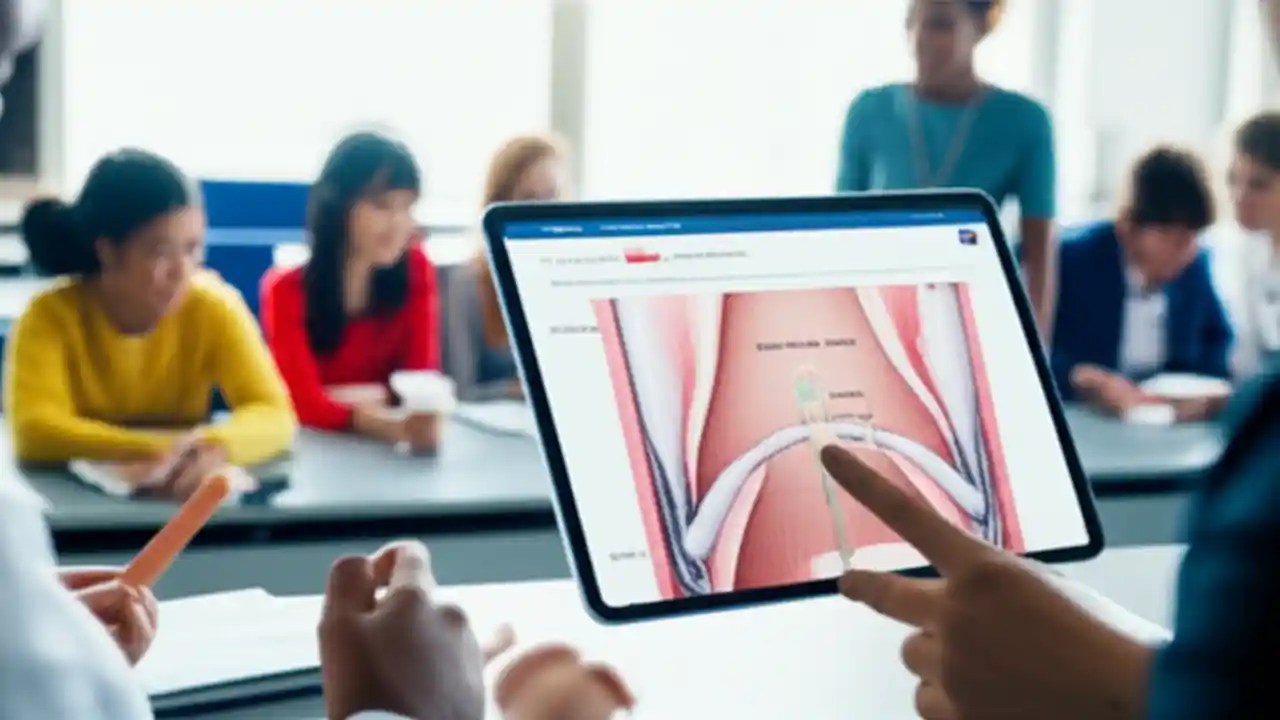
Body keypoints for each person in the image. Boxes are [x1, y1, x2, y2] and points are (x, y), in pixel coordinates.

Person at [3, 149, 296, 496]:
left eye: (192, 249)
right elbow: (35, 429)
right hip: (74, 506)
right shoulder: (50, 315)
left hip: (183, 500)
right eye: (161, 252)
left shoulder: (215, 306)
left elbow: (274, 414)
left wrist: (213, 446)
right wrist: (163, 448)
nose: (181, 271)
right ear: (107, 250)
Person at [836, 0, 1057, 337]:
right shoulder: (868, 111)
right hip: (884, 309)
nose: (921, 37)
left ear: (981, 27)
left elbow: (1039, 253)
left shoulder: (1025, 120)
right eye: (914, 22)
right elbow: (841, 235)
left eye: (940, 25)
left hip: (979, 310)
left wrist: (1036, 346)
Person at [260, 132, 441, 449]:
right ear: (337, 207)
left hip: (386, 454)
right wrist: (375, 417)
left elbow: (420, 384)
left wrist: (335, 401)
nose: (399, 223)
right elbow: (299, 404)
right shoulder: (284, 290)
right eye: (382, 206)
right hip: (315, 452)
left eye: (407, 207)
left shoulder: (417, 269)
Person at [1051, 147, 1231, 421]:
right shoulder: (1070, 261)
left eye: (1192, 238)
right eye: (1172, 238)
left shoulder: (1195, 267)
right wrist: (1076, 377)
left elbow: (1217, 339)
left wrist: (1203, 395)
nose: (1185, 251)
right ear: (1127, 226)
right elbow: (1028, 347)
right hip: (1082, 417)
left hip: (1162, 420)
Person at [445, 135, 569, 401]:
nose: (542, 214)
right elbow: (459, 392)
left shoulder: (567, 281)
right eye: (528, 199)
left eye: (552, 197)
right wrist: (516, 391)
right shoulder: (467, 284)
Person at [1210, 112, 1280, 380]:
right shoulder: (1242, 250)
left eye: (1258, 185)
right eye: (1232, 180)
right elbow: (1246, 362)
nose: (1239, 197)